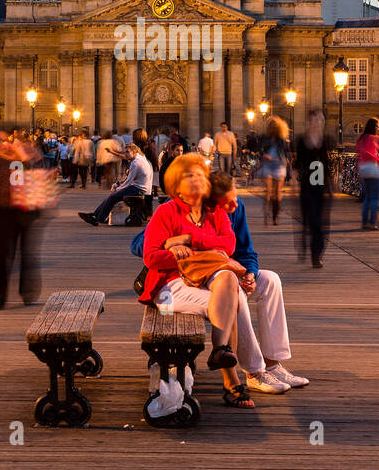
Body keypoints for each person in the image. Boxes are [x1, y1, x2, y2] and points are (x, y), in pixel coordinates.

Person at [140, 153, 254, 409]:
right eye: (189, 175)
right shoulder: (165, 212)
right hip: (171, 286)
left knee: (227, 279)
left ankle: (220, 350)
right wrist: (175, 254)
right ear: (175, 184)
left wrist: (189, 240)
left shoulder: (215, 211)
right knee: (230, 301)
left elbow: (229, 244)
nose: (196, 179)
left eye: (200, 174)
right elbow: (150, 257)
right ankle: (231, 379)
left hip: (207, 279)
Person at [207, 172, 310, 393]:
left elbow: (247, 252)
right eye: (229, 201)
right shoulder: (199, 213)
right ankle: (254, 371)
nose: (235, 203)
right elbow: (142, 243)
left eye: (236, 196)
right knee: (235, 292)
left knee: (271, 280)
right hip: (209, 281)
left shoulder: (237, 208)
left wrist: (251, 275)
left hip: (235, 272)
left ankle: (272, 363)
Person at [0, 135, 43, 309]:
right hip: (15, 214)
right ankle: (20, 294)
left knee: (8, 256)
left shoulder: (7, 163)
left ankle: (2, 297)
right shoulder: (14, 163)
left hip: (12, 213)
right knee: (18, 255)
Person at [79, 143, 153, 226]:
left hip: (138, 189)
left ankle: (98, 218)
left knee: (113, 196)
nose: (126, 154)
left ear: (134, 152)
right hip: (141, 187)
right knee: (112, 196)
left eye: (128, 152)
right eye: (125, 152)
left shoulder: (135, 163)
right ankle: (95, 216)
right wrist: (118, 187)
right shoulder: (140, 158)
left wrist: (116, 189)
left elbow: (128, 182)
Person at [295, 109, 332, 268]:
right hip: (307, 187)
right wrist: (293, 177)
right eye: (314, 119)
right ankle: (306, 244)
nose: (317, 122)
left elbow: (329, 162)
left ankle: (317, 254)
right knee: (311, 221)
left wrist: (334, 182)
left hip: (323, 187)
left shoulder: (327, 140)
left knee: (322, 223)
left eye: (320, 119)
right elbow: (298, 162)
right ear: (309, 121)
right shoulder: (302, 141)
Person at [254, 116, 291, 225]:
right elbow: (258, 150)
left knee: (277, 192)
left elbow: (286, 151)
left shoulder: (283, 138)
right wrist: (263, 155)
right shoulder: (264, 138)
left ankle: (275, 215)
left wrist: (288, 159)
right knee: (269, 191)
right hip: (268, 165)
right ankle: (267, 212)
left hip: (279, 165)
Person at [355, 117, 379, 230]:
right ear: (375, 127)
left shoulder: (361, 138)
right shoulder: (377, 138)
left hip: (363, 169)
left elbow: (359, 155)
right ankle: (372, 223)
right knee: (374, 198)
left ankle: (364, 222)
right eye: (378, 126)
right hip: (373, 168)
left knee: (367, 197)